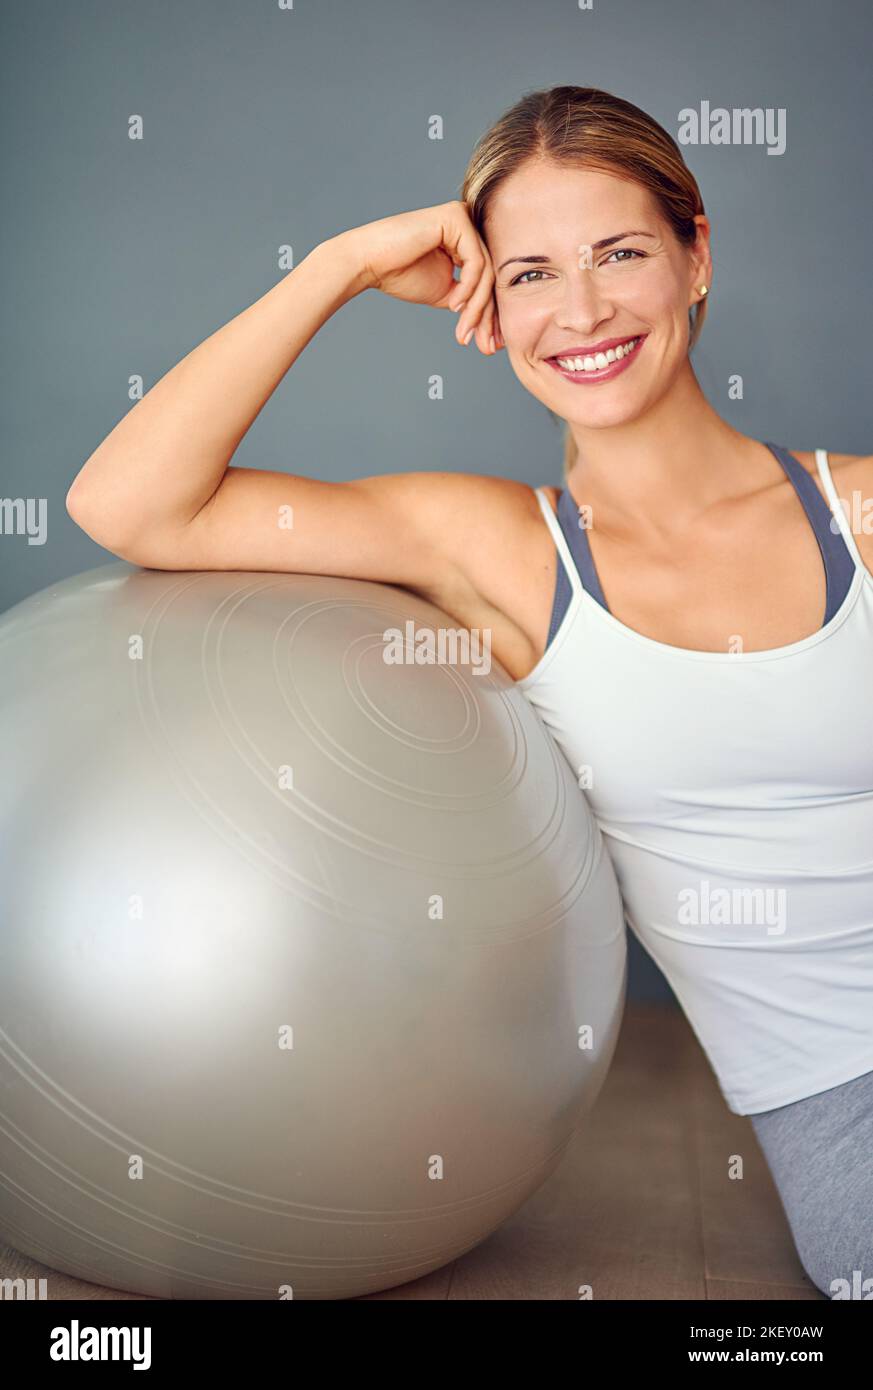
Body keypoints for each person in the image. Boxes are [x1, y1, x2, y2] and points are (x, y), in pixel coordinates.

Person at [66, 84, 873, 1299]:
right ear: (482, 302)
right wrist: (341, 265)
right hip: (842, 1111)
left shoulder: (859, 512)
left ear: (697, 257)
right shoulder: (499, 551)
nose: (584, 309)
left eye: (621, 253)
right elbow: (131, 504)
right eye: (532, 272)